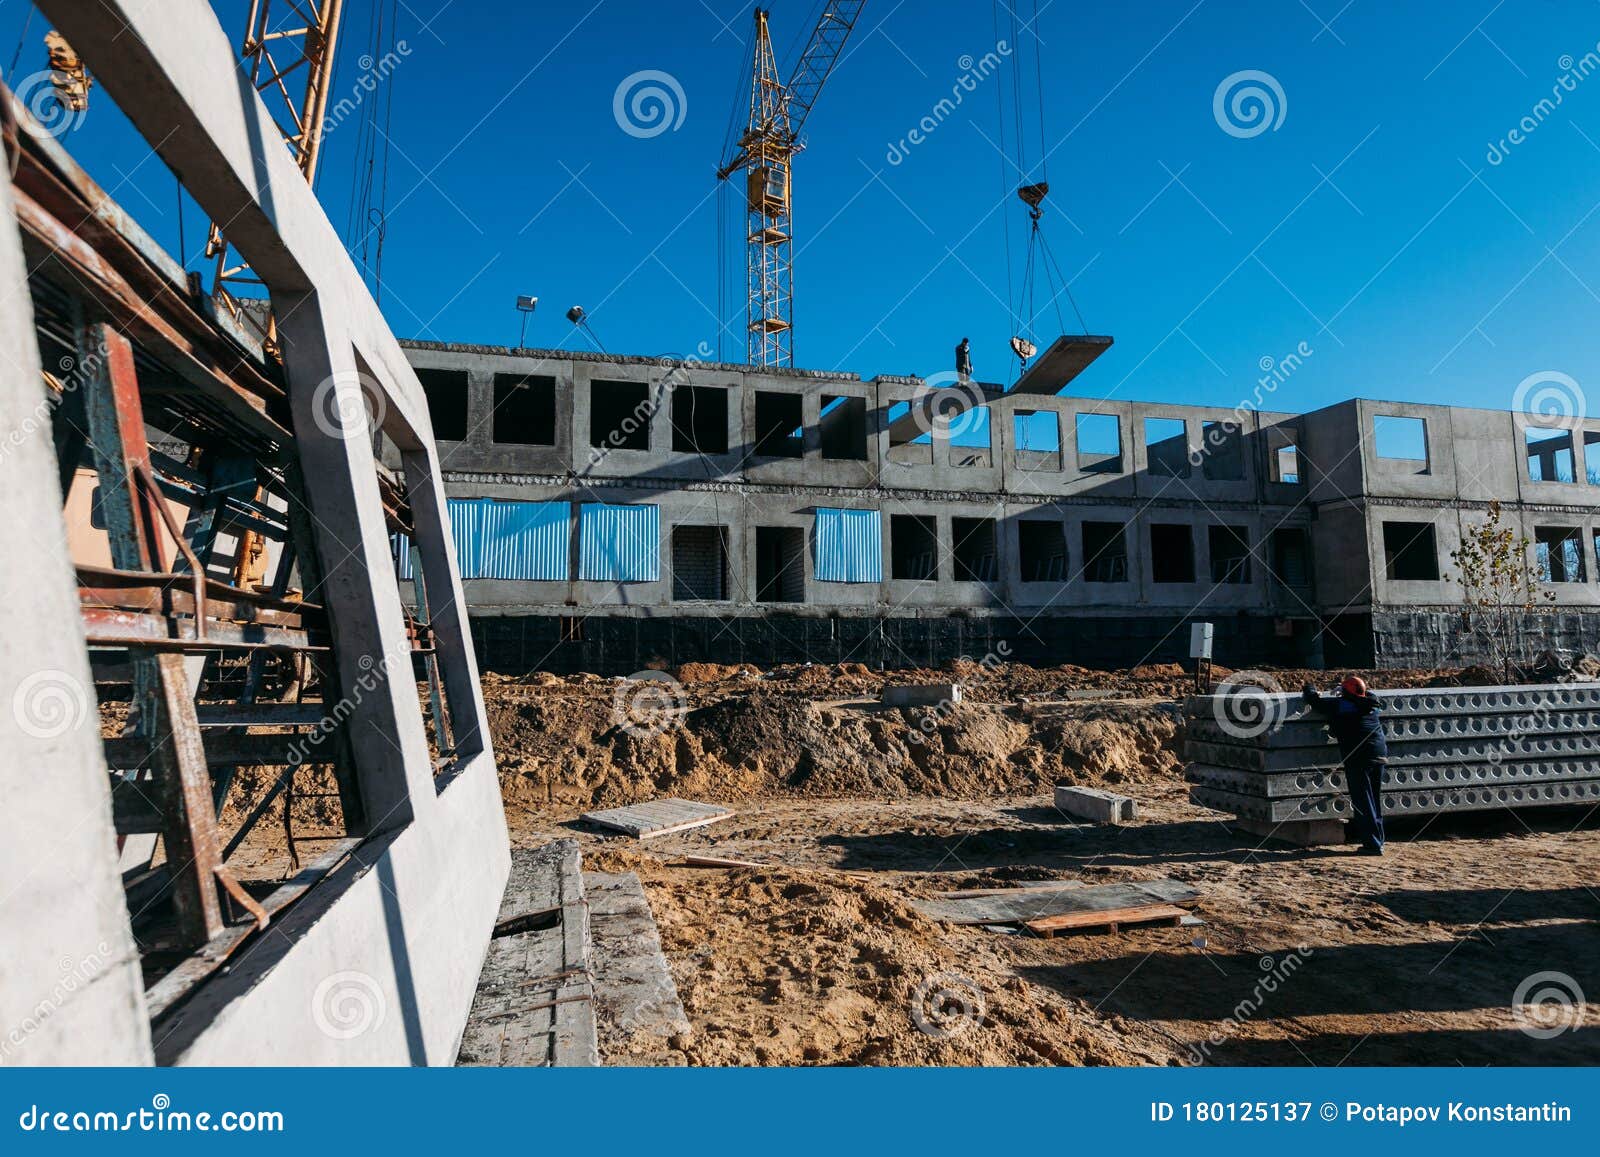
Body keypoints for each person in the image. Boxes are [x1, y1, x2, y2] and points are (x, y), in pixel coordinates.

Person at [1301, 675, 1388, 855]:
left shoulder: (1341, 706)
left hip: (1359, 759)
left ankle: (1372, 846)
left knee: (1363, 802)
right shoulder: (1372, 705)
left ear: (1345, 693)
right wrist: (1350, 692)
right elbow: (1366, 696)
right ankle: (1378, 841)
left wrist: (1309, 687)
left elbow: (1314, 701)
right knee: (1373, 800)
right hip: (1379, 754)